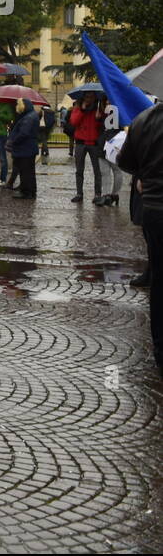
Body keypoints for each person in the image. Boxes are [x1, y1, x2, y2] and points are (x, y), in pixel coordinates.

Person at [116, 103, 163, 375]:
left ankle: (161, 350)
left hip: (154, 209)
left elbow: (125, 161)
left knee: (159, 279)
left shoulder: (144, 119)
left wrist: (144, 174)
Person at [69, 94, 105, 203]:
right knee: (79, 170)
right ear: (83, 98)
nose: (89, 99)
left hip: (94, 143)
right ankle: (79, 193)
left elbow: (102, 127)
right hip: (80, 143)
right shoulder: (78, 108)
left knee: (97, 171)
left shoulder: (98, 109)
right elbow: (73, 122)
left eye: (91, 97)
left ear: (95, 98)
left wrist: (99, 119)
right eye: (87, 97)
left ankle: (97, 194)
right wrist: (82, 110)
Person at [7, 98, 40, 200]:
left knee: (25, 171)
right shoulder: (30, 115)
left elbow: (23, 133)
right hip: (28, 148)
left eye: (18, 105)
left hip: (25, 148)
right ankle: (30, 191)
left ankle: (26, 192)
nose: (17, 107)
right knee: (29, 171)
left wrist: (13, 141)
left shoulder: (28, 117)